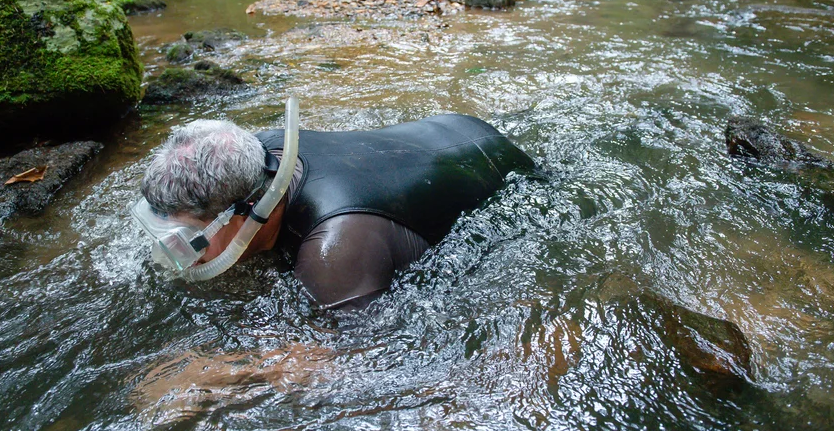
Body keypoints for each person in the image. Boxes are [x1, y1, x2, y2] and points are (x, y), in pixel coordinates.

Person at [132, 98, 535, 310]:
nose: (169, 250)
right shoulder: (248, 155)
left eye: (185, 238)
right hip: (439, 130)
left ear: (250, 210)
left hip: (502, 167)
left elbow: (360, 362)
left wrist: (219, 377)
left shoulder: (335, 252)